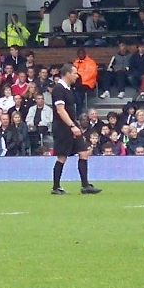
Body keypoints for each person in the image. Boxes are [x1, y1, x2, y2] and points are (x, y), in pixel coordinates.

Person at [50, 64, 100, 195]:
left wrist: (75, 125)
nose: (77, 76)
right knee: (62, 156)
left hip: (72, 125)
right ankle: (56, 187)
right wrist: (72, 126)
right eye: (75, 73)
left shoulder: (68, 89)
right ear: (67, 73)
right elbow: (60, 111)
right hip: (62, 127)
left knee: (83, 152)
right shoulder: (58, 89)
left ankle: (85, 185)